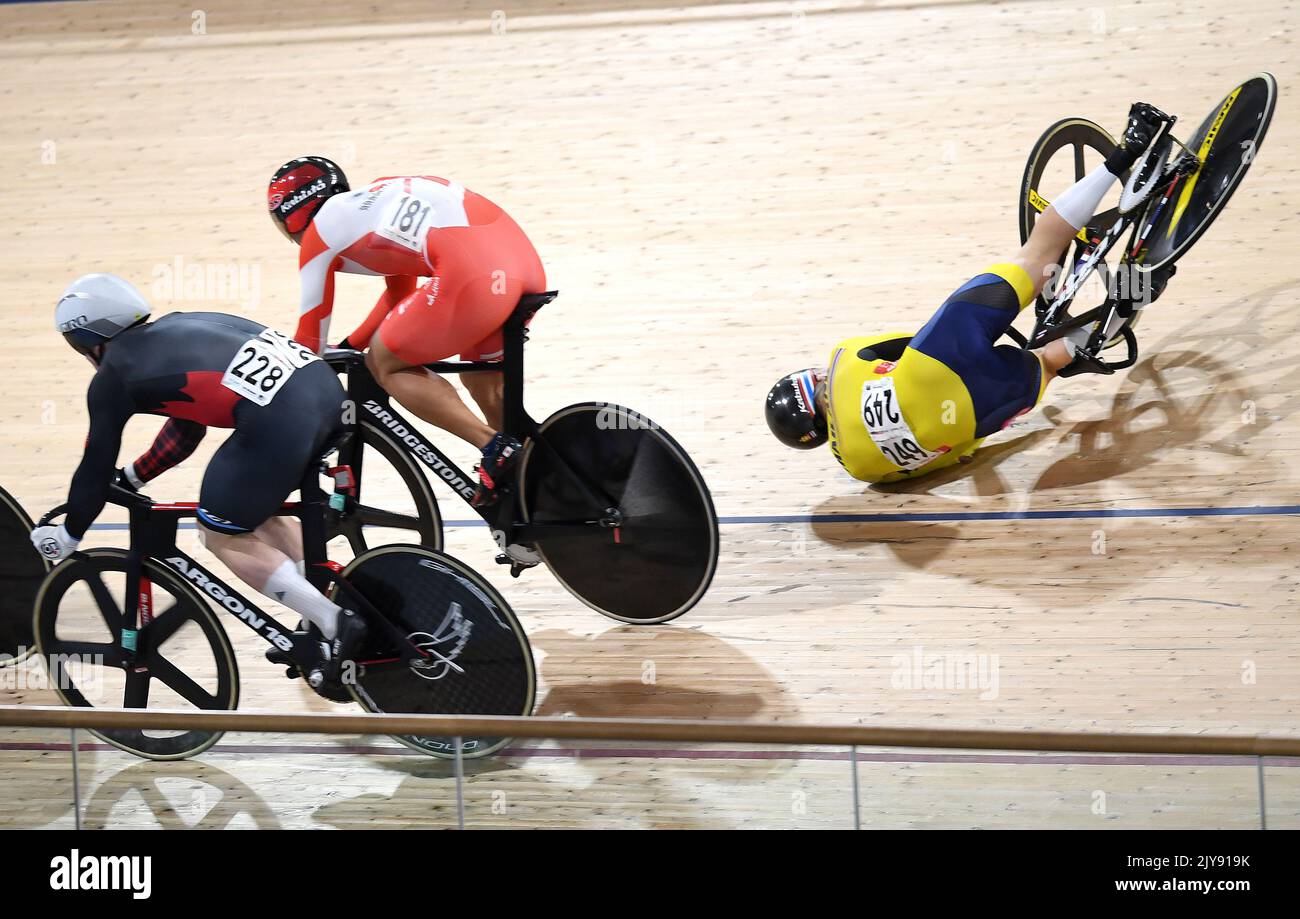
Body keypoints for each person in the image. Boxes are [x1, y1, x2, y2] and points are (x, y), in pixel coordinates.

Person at [765, 103, 1176, 484]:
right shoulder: (840, 362)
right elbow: (903, 343)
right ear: (809, 385)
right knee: (1036, 256)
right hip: (932, 360)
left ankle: (1138, 290)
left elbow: (958, 456)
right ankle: (1129, 149)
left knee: (1049, 361)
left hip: (962, 414)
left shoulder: (864, 472)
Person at [30, 274, 365, 689]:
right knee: (253, 513)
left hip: (280, 419)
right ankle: (345, 597)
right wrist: (133, 477)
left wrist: (68, 533)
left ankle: (333, 622)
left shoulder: (113, 375)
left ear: (89, 340)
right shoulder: (176, 329)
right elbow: (185, 432)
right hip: (327, 395)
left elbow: (94, 466)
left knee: (217, 532)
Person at [267, 157, 547, 507]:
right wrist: (350, 345)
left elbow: (309, 341)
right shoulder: (375, 198)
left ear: (292, 213)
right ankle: (542, 491)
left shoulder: (319, 233)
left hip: (475, 275)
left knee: (384, 365)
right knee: (482, 382)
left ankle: (493, 447)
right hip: (523, 268)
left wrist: (281, 384)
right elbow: (398, 296)